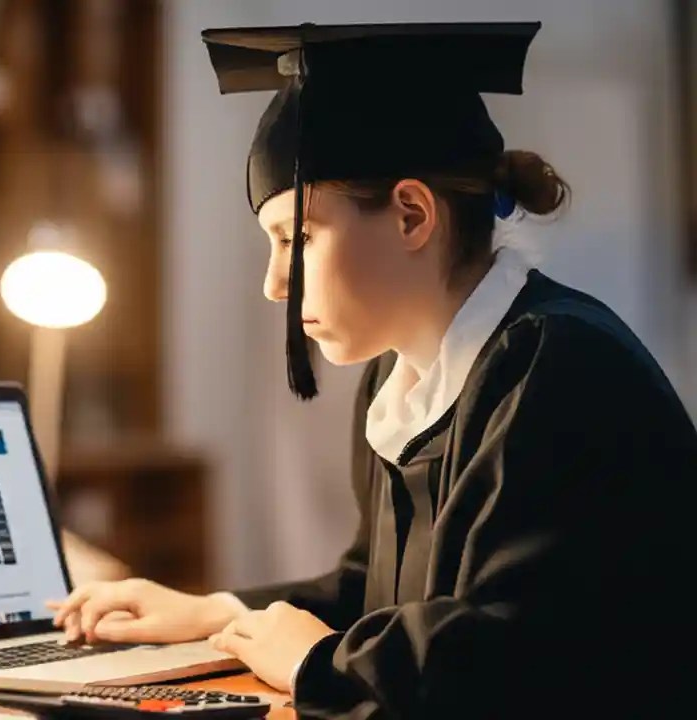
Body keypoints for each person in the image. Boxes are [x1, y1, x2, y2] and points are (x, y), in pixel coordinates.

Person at [48, 22, 696, 719]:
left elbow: (514, 655)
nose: (274, 283)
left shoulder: (557, 367)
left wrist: (316, 661)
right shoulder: (404, 378)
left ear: (412, 214)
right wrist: (215, 613)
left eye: (296, 238)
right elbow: (374, 592)